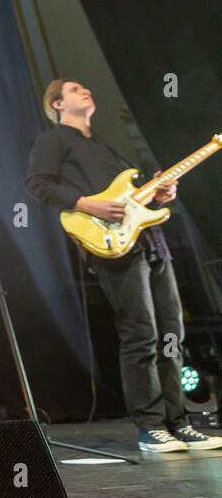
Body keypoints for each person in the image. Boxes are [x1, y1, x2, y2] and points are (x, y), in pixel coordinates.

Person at [25, 78, 222, 454]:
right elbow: (37, 185)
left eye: (87, 88)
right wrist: (87, 204)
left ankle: (178, 423)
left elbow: (136, 197)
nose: (87, 91)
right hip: (113, 247)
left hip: (150, 244)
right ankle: (151, 429)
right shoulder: (53, 141)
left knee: (171, 334)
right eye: (76, 89)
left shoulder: (105, 146)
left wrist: (162, 193)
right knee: (141, 333)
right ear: (57, 104)